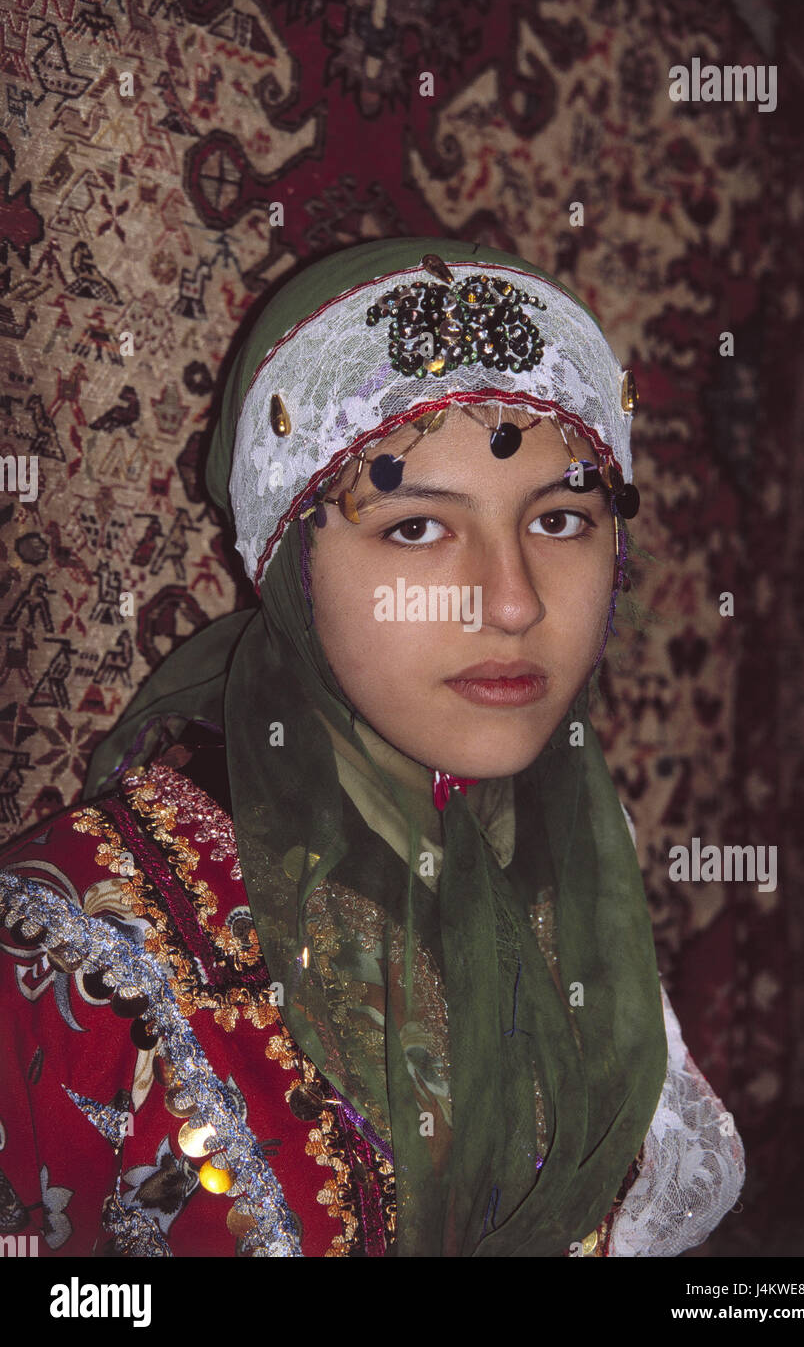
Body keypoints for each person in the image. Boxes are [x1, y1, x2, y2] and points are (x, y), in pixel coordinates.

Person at [0, 237, 745, 1258]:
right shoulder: (67, 941)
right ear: (291, 561)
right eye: (414, 530)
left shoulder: (574, 845)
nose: (513, 599)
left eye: (563, 518)